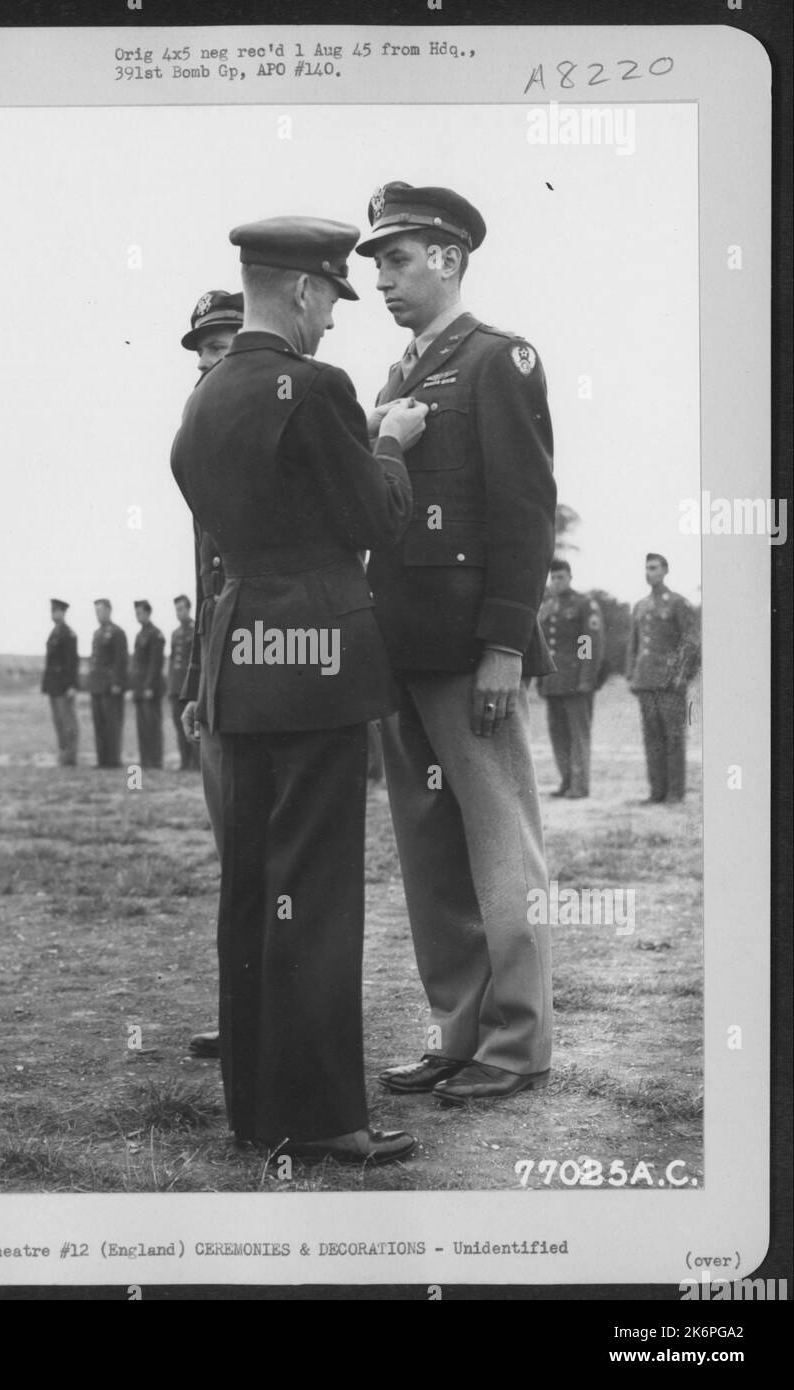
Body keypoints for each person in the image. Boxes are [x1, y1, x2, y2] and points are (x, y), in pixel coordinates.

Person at [172, 214, 427, 1163]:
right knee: (315, 893)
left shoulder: (204, 397)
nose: (330, 323)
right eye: (330, 301)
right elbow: (375, 517)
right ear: (307, 292)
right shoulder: (317, 387)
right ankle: (323, 1119)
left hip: (242, 652)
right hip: (314, 656)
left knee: (252, 886)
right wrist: (390, 440)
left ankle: (256, 1109)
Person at [355, 181, 557, 1105]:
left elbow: (524, 511)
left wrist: (506, 647)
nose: (385, 279)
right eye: (377, 263)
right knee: (432, 858)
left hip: (471, 654)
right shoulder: (397, 378)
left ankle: (516, 1046)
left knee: (501, 850)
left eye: (397, 259)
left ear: (448, 257)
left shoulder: (497, 360)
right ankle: (459, 1031)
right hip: (402, 650)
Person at [178, 288, 244, 1058]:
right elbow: (206, 582)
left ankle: (275, 1020)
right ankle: (245, 1015)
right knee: (237, 856)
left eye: (220, 343)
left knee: (274, 861)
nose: (205, 360)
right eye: (200, 349)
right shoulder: (202, 441)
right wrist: (198, 682)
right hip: (223, 674)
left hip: (279, 670)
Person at [626, 553, 701, 803]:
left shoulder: (678, 603)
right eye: (646, 568)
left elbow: (691, 643)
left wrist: (682, 676)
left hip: (670, 683)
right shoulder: (641, 605)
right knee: (652, 738)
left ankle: (675, 793)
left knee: (673, 737)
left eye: (654, 568)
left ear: (665, 570)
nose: (649, 573)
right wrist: (631, 675)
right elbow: (633, 645)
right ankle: (656, 792)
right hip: (645, 681)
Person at [537, 560, 605, 799]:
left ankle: (579, 785)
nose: (556, 582)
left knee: (578, 735)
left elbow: (589, 643)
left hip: (576, 680)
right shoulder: (546, 607)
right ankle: (566, 781)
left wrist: (587, 678)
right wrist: (541, 679)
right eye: (553, 577)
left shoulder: (584, 604)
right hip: (553, 681)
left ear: (570, 577)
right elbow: (542, 645)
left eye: (560, 577)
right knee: (558, 734)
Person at [87, 599, 127, 768]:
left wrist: (117, 682)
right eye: (96, 611)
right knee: (99, 724)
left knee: (112, 724)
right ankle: (101, 759)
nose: (98, 614)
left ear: (109, 611)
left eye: (101, 610)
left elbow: (120, 659)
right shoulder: (97, 633)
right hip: (97, 686)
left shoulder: (117, 632)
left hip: (110, 687)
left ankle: (113, 760)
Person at [41, 598, 80, 767]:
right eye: (52, 610)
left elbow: (72, 661)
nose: (53, 614)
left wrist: (72, 685)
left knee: (67, 722)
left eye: (56, 610)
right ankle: (63, 752)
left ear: (63, 612)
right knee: (58, 721)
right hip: (54, 685)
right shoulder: (54, 632)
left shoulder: (68, 633)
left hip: (64, 686)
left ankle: (70, 755)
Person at [131, 601, 165, 769]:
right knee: (142, 726)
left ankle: (155, 760)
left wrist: (149, 686)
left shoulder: (155, 634)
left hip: (150, 688)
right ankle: (145, 760)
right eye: (136, 612)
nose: (138, 615)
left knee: (152, 725)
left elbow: (155, 663)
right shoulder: (140, 635)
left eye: (140, 612)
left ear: (148, 613)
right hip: (139, 688)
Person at [168, 595, 198, 771]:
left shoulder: (195, 630)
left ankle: (196, 762)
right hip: (177, 686)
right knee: (179, 726)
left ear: (188, 608)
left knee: (192, 724)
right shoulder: (175, 633)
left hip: (189, 686)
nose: (178, 612)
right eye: (176, 609)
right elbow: (173, 661)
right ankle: (184, 761)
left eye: (181, 608)